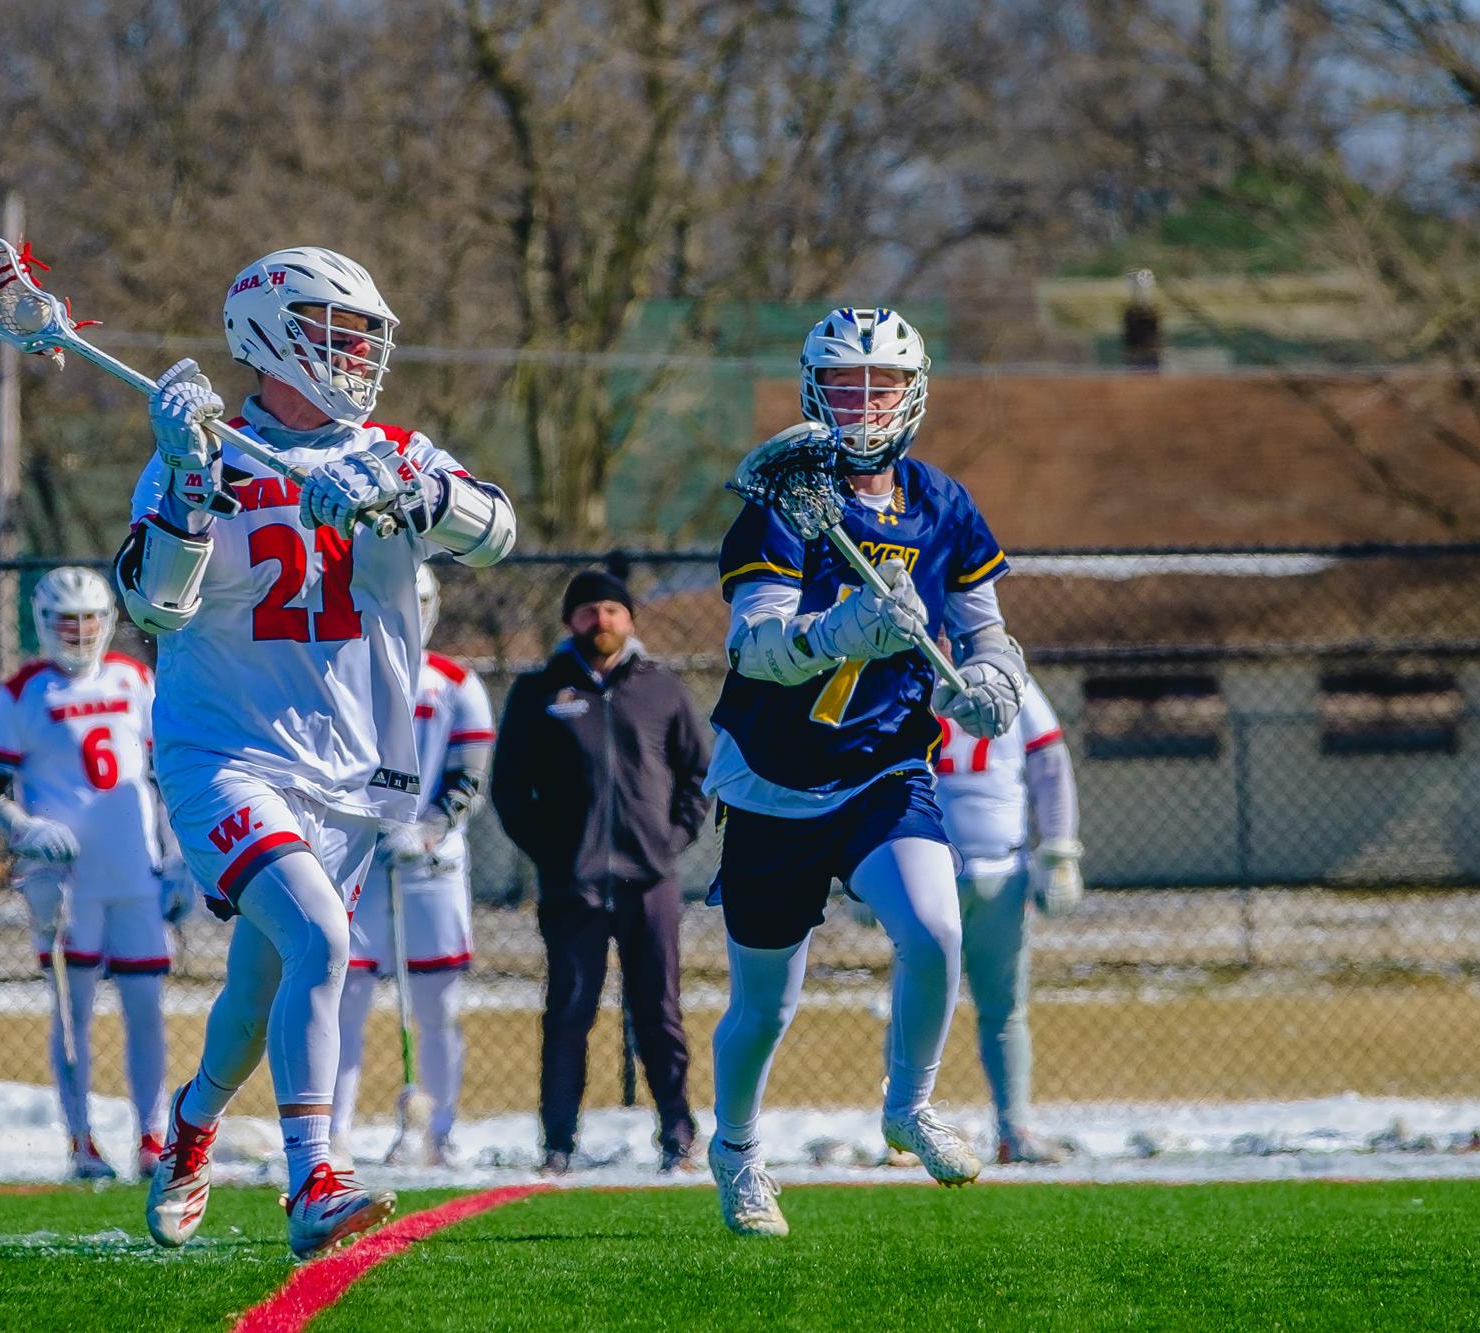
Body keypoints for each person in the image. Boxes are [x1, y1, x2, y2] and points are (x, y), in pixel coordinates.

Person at [123, 246, 515, 1258]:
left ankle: (190, 1129)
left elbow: (497, 530)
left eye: (361, 336)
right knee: (323, 945)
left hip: (349, 773)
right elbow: (154, 601)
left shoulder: (393, 446)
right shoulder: (199, 454)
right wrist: (184, 479)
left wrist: (407, 498)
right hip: (226, 755)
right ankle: (314, 1179)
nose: (357, 354)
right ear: (270, 335)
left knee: (261, 989)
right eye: (337, 331)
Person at [704, 306, 1025, 1236]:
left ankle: (909, 1105)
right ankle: (737, 1153)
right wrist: (841, 630)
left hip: (885, 767)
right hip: (772, 778)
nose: (865, 403)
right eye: (846, 385)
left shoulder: (942, 503)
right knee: (765, 1005)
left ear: (915, 391)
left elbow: (985, 631)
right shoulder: (785, 502)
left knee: (933, 928)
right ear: (813, 392)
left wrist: (994, 684)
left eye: (882, 384)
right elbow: (754, 646)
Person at [491, 567, 711, 1175]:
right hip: (574, 886)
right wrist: (552, 853)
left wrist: (670, 841)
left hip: (650, 881)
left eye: (612, 610)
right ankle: (558, 1145)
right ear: (570, 622)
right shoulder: (538, 692)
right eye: (589, 611)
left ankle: (678, 1137)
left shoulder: (662, 689)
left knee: (659, 1013)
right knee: (569, 1012)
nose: (602, 621)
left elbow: (698, 778)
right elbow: (509, 789)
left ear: (630, 619)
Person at [0, 566, 190, 1182]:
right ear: (43, 624)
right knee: (74, 1015)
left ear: (109, 621)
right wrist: (24, 829)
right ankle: (81, 1139)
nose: (79, 631)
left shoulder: (134, 678)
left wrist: (178, 857)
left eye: (90, 618)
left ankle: (151, 1136)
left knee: (146, 1009)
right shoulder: (22, 692)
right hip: (64, 882)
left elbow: (166, 776)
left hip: (135, 873)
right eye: (66, 620)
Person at [330, 566, 493, 1168]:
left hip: (431, 869)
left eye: (418, 602)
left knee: (436, 1005)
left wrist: (427, 831)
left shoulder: (454, 681)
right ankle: (334, 1133)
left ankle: (438, 1129)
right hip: (357, 863)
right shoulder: (343, 672)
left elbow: (468, 775)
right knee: (343, 999)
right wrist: (363, 827)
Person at [928, 679, 1083, 1164]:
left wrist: (1058, 851)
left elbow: (1049, 763)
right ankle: (908, 1130)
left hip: (998, 870)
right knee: (919, 1008)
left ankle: (1013, 1128)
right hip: (929, 870)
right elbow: (1052, 769)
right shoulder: (900, 673)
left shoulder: (1010, 678)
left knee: (1003, 1008)